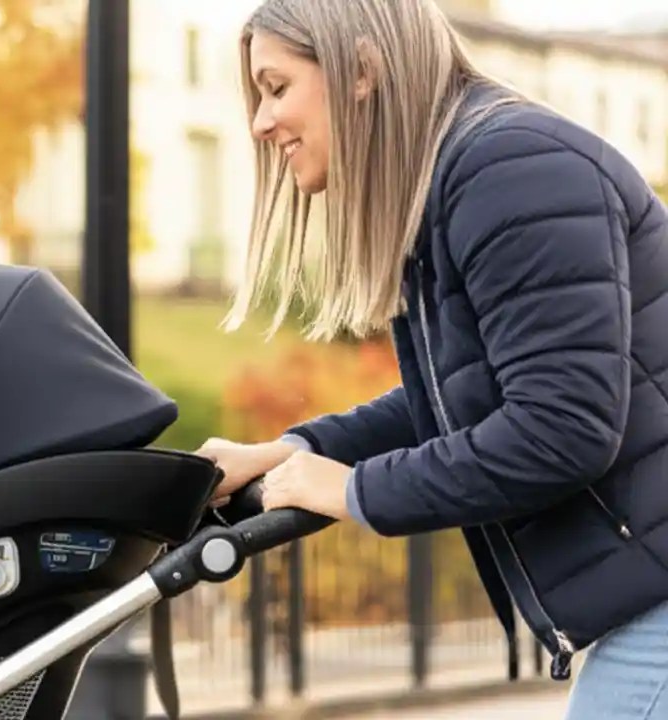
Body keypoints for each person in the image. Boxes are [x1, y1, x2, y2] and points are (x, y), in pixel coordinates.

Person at [194, 1, 668, 717]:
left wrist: (354, 491)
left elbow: (561, 430)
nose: (260, 123)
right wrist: (293, 451)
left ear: (361, 71)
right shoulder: (460, 182)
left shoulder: (510, 173)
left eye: (277, 87)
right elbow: (450, 404)